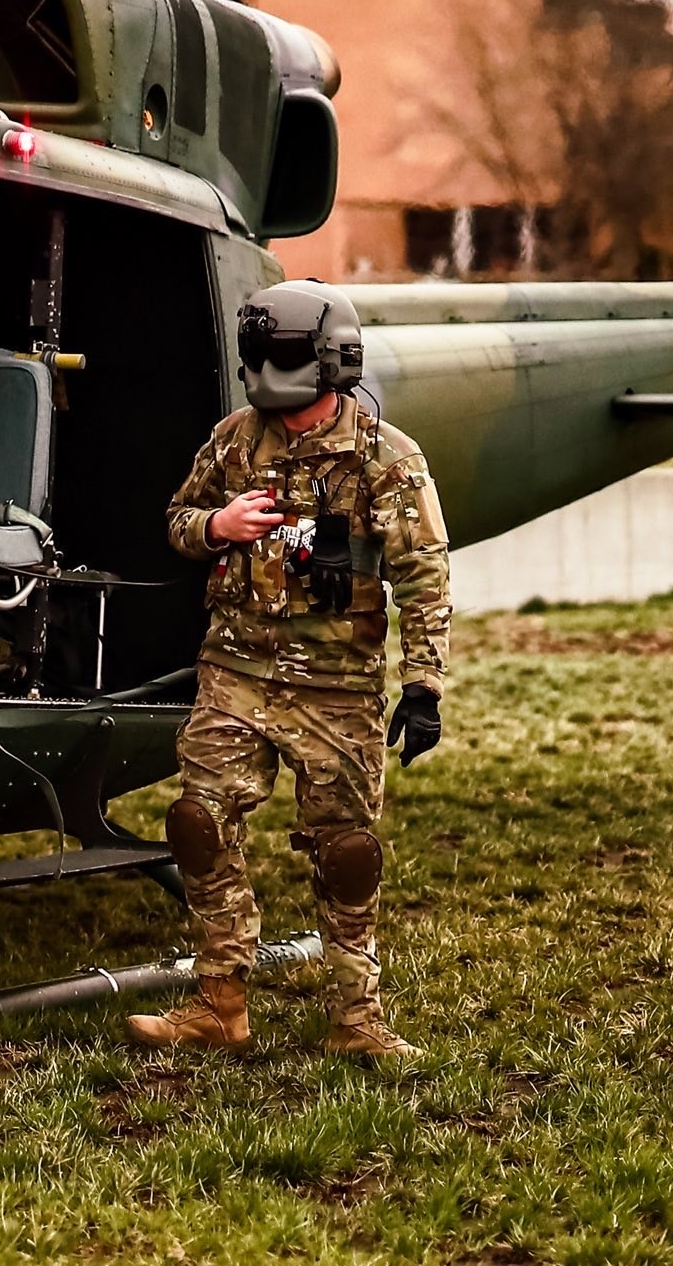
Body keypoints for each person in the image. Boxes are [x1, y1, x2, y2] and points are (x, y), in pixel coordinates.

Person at [126, 280, 451, 1064]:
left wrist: (424, 682)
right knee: (199, 825)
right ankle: (220, 1002)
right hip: (236, 667)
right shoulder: (236, 439)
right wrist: (216, 524)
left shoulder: (384, 457)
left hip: (335, 684)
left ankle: (356, 1018)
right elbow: (176, 519)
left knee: (345, 851)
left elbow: (424, 570)